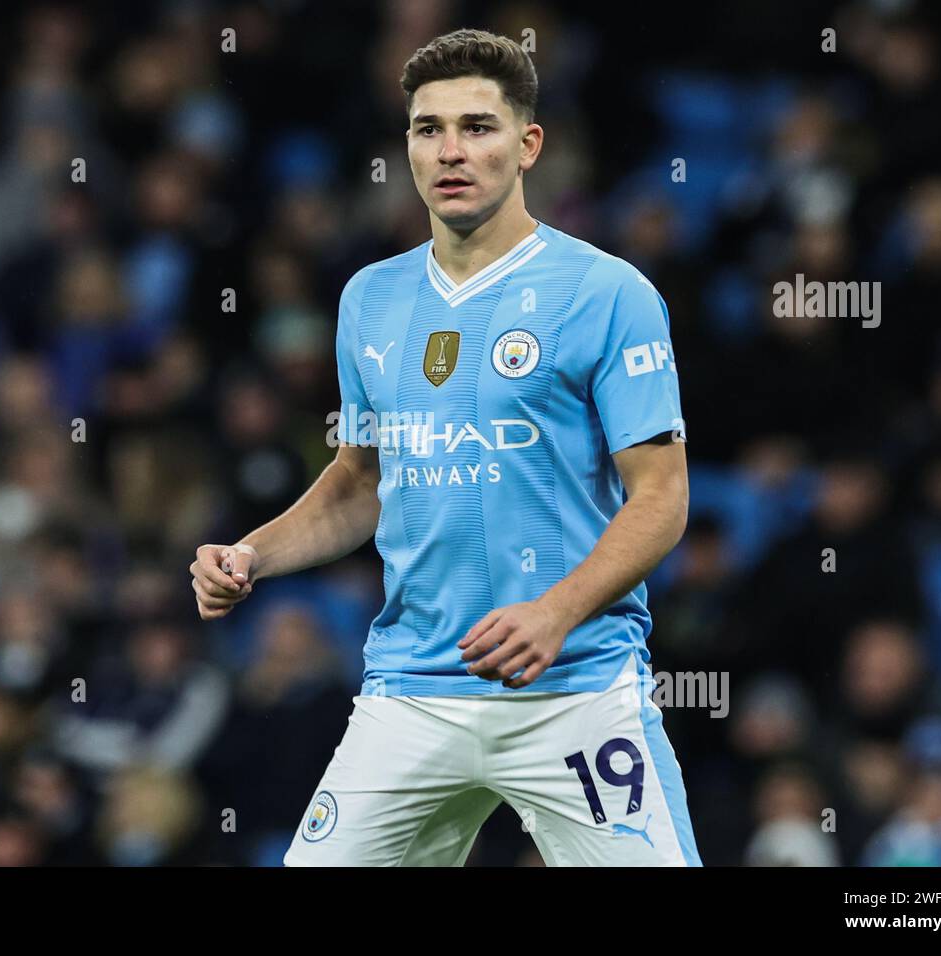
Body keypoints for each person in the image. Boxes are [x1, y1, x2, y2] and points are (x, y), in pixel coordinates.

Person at [190, 28, 700, 866]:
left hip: (572, 690)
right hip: (412, 690)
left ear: (528, 144)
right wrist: (250, 554)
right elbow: (361, 480)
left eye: (478, 126)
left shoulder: (608, 293)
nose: (451, 150)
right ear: (407, 147)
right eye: (429, 129)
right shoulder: (370, 298)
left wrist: (554, 613)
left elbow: (663, 497)